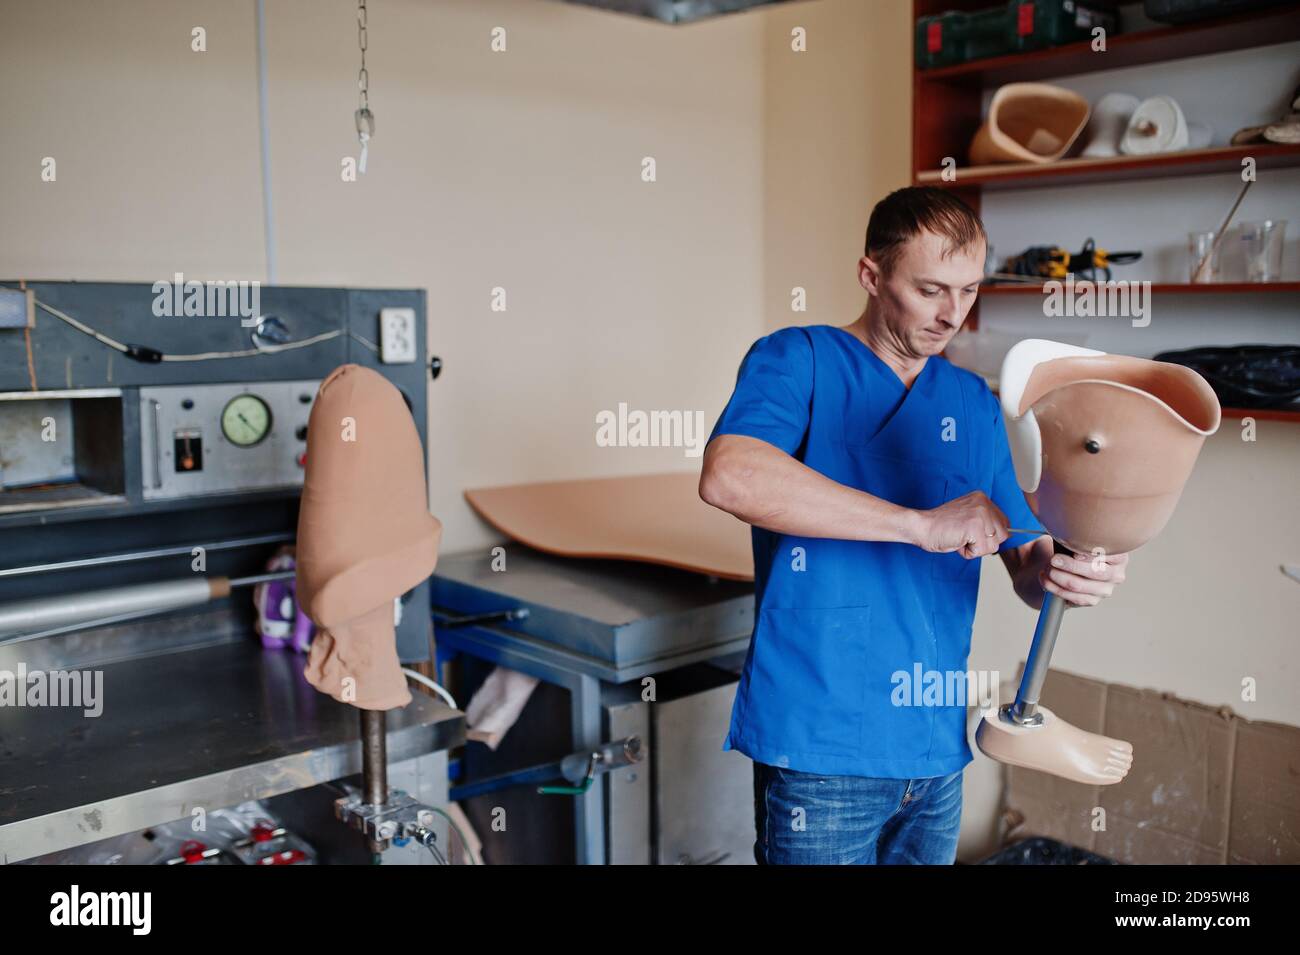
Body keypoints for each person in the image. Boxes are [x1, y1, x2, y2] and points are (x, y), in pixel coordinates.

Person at [699, 186, 1128, 865]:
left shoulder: (971, 403)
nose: (952, 314)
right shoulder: (799, 360)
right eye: (930, 290)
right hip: (822, 750)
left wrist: (1071, 570)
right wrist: (916, 524)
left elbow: (1027, 565)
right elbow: (730, 474)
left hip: (936, 751)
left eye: (968, 290)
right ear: (872, 275)